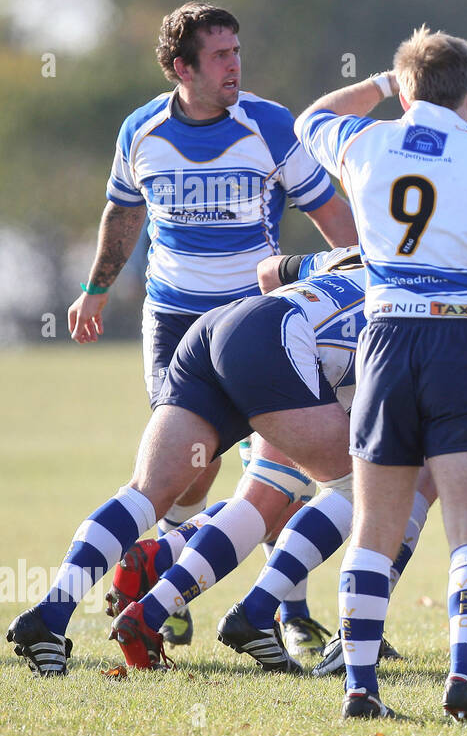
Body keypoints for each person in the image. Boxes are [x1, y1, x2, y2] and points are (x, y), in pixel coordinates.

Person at [294, 26, 467, 725]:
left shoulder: (364, 142)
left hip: (385, 337)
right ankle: (464, 678)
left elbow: (310, 119)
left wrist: (390, 84)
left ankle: (359, 687)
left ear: (406, 87)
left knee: (374, 525)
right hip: (462, 339)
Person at [65, 1, 355, 647]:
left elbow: (331, 214)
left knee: (282, 467)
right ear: (180, 67)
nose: (235, 67)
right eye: (221, 56)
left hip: (254, 325)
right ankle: (172, 584)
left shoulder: (271, 126)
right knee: (190, 471)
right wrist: (94, 289)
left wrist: (362, 276)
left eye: (237, 52)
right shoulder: (140, 132)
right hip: (173, 323)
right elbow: (122, 216)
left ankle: (289, 613)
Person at [7, 251, 360, 676]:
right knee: (357, 489)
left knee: (146, 494)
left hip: (223, 325)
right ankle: (249, 612)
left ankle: (49, 616)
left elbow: (268, 271)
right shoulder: (448, 292)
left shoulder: (357, 252)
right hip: (281, 342)